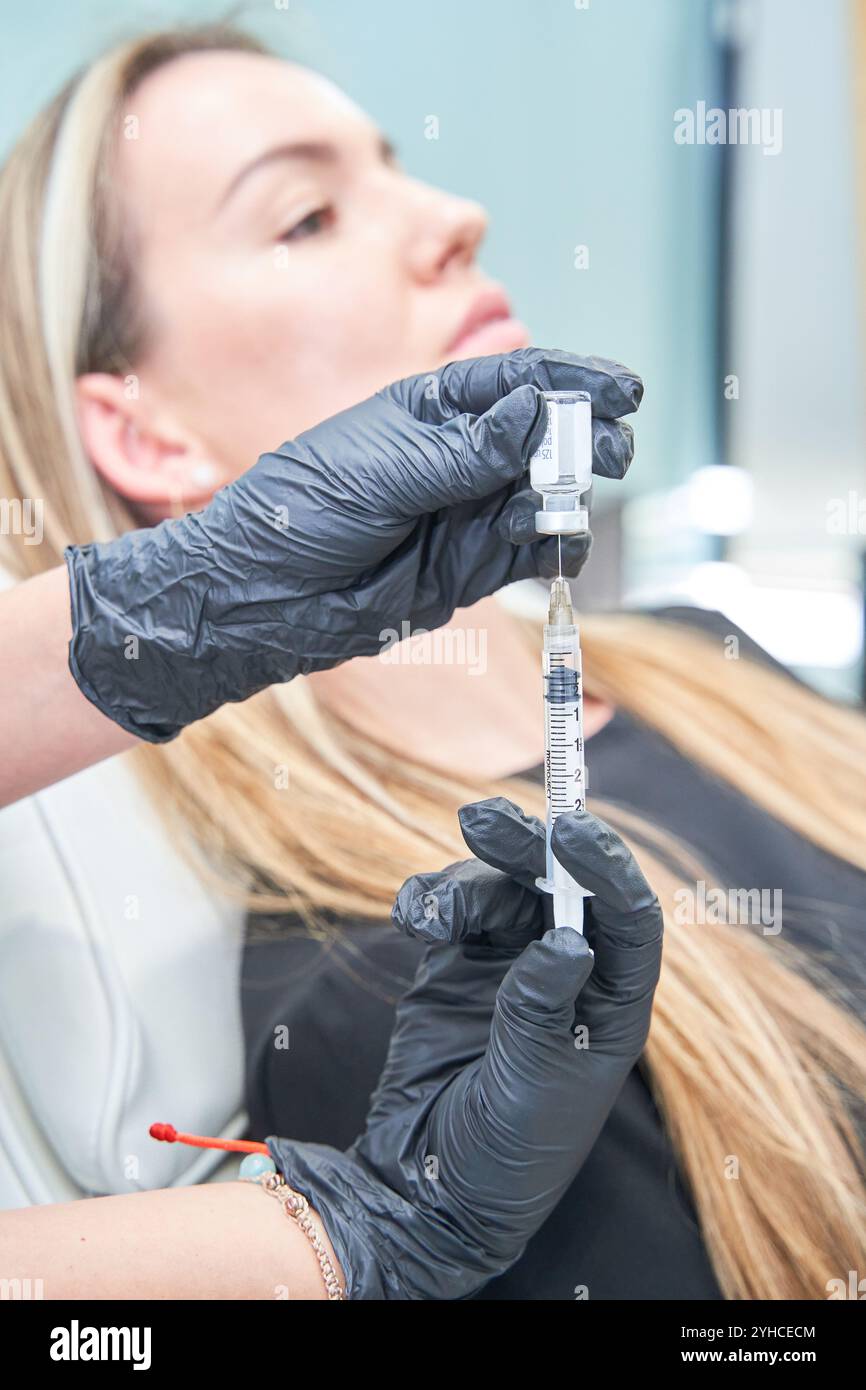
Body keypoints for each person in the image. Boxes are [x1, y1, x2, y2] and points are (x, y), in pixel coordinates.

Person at [0, 25, 863, 1300]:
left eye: (396, 167)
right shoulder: (425, 982)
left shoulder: (705, 658)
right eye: (304, 216)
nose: (455, 215)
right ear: (144, 432)